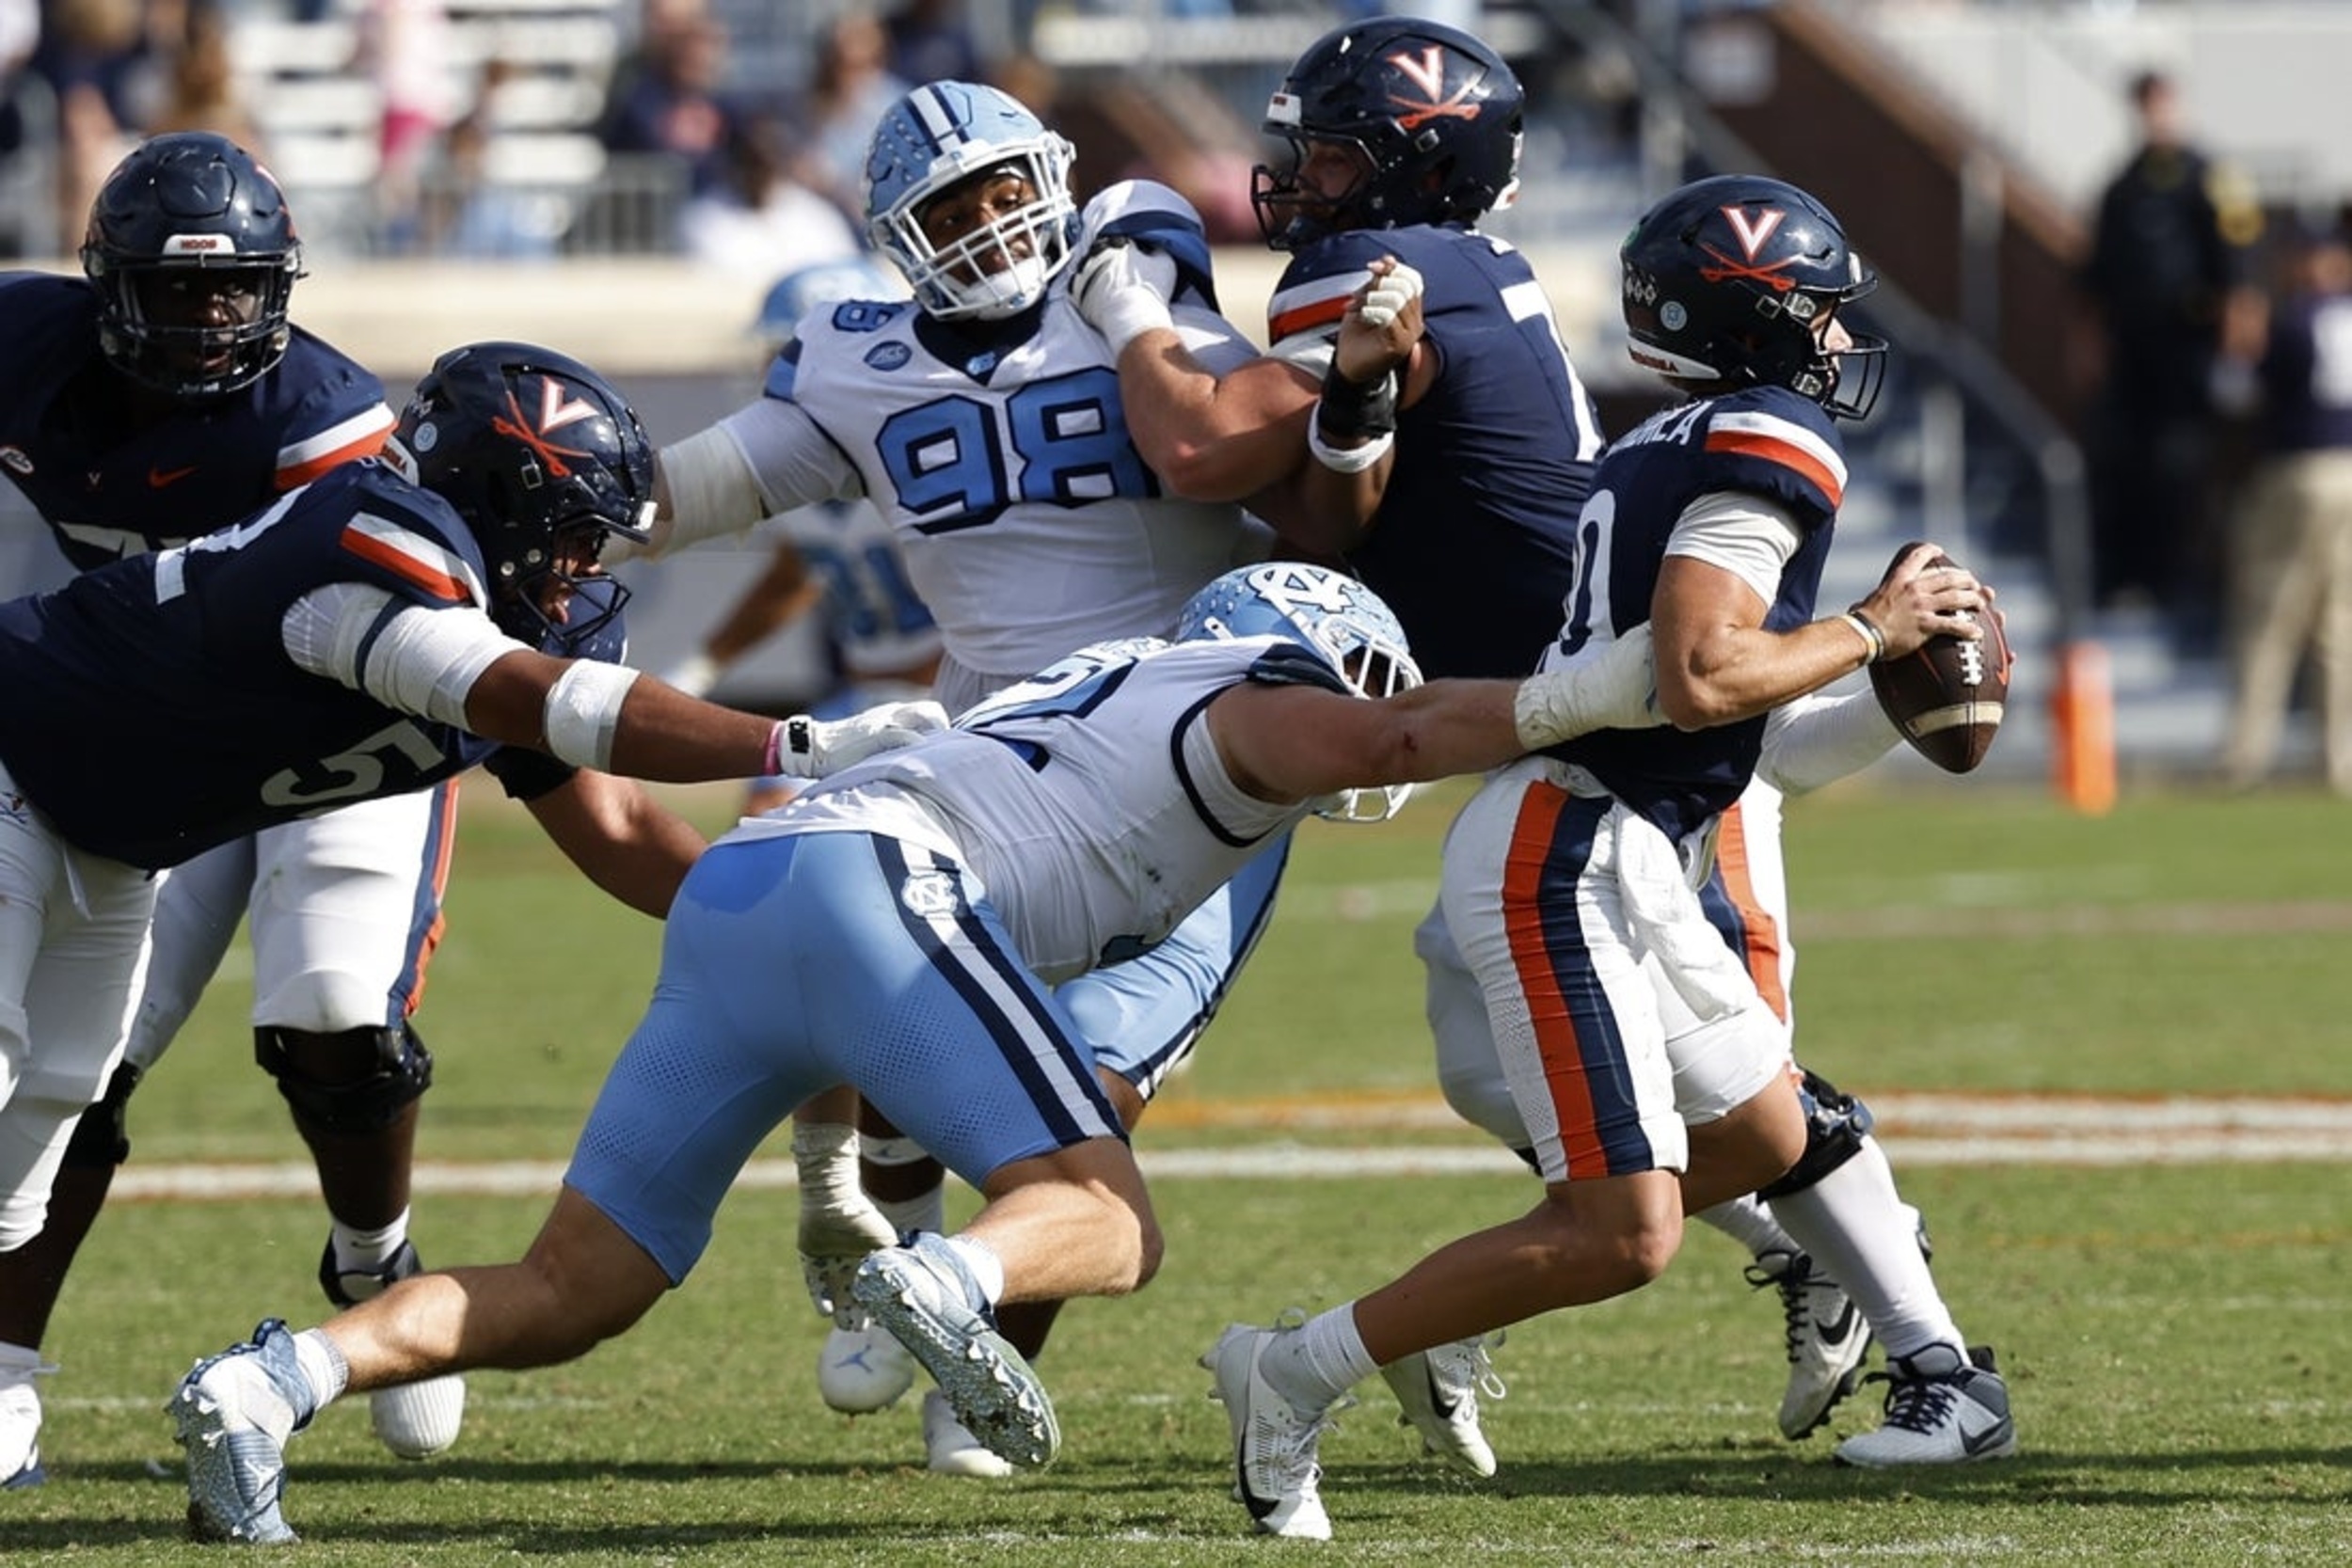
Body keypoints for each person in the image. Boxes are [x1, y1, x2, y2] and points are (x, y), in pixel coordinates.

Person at [167, 559, 1667, 1545]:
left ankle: (272, 1383)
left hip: (751, 885)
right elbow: (1392, 742)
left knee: (574, 1290)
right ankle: (935, 1274)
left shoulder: (1101, 677)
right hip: (881, 885)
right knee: (1111, 1219)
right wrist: (1581, 695)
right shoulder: (1250, 694)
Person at [1073, 16, 2001, 1478]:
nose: (1295, 178)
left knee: (1752, 1136)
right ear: (1763, 326)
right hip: (1572, 798)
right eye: (1818, 311)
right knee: (1636, 1179)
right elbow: (1699, 685)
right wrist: (1882, 633)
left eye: (1326, 149)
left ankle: (1915, 1346)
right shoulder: (1724, 427)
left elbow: (1711, 711)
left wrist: (1873, 670)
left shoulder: (1656, 424)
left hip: (1587, 776)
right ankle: (1414, 1328)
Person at [0, 337, 943, 1514]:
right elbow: (531, 701)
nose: (580, 568)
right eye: (564, 531)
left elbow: (615, 829)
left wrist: (778, 922)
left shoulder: (488, 594)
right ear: (494, 500)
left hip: (111, 833)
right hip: (16, 755)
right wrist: (792, 740)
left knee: (45, 1111)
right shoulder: (365, 545)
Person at [629, 78, 1281, 1474]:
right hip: (988, 759)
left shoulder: (1142, 317)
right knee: (910, 1031)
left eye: (1003, 191)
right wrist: (560, 512)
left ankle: (964, 1337)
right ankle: (911, 1230)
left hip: (1194, 750)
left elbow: (1263, 448)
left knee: (1089, 1088)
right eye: (952, 208)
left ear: (1049, 177)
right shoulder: (856, 360)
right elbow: (692, 493)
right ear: (897, 236)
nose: (989, 226)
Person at [0, 130, 431, 1487]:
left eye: (237, 288)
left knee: (330, 1014)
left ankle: (373, 1254)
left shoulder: (324, 419)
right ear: (107, 285)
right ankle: (7, 1364)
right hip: (148, 736)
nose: (211, 318)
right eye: (181, 290)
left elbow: (397, 633)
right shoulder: (25, 339)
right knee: (92, 1061)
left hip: (314, 720)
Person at [660, 254, 943, 816]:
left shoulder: (923, 465)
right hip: (865, 703)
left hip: (951, 706)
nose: (771, 370)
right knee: (769, 811)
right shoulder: (802, 475)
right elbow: (796, 575)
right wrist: (700, 669)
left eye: (785, 353)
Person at [2074, 67, 2265, 641]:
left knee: (2181, 466)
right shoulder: (2122, 185)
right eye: (2144, 105)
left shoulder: (2211, 177)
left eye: (2161, 104)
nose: (2154, 116)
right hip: (2136, 356)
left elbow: (2241, 276)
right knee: (2122, 463)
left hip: (2190, 352)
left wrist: (2237, 358)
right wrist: (2088, 351)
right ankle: (2126, 580)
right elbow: (2094, 282)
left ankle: (2177, 583)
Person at [2218, 219, 2352, 793]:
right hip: (2348, 471)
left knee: (2268, 618)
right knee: (2337, 623)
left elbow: (2234, 393)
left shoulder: (2296, 320)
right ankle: (2338, 759)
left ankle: (2247, 754)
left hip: (2299, 472)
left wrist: (2239, 347)